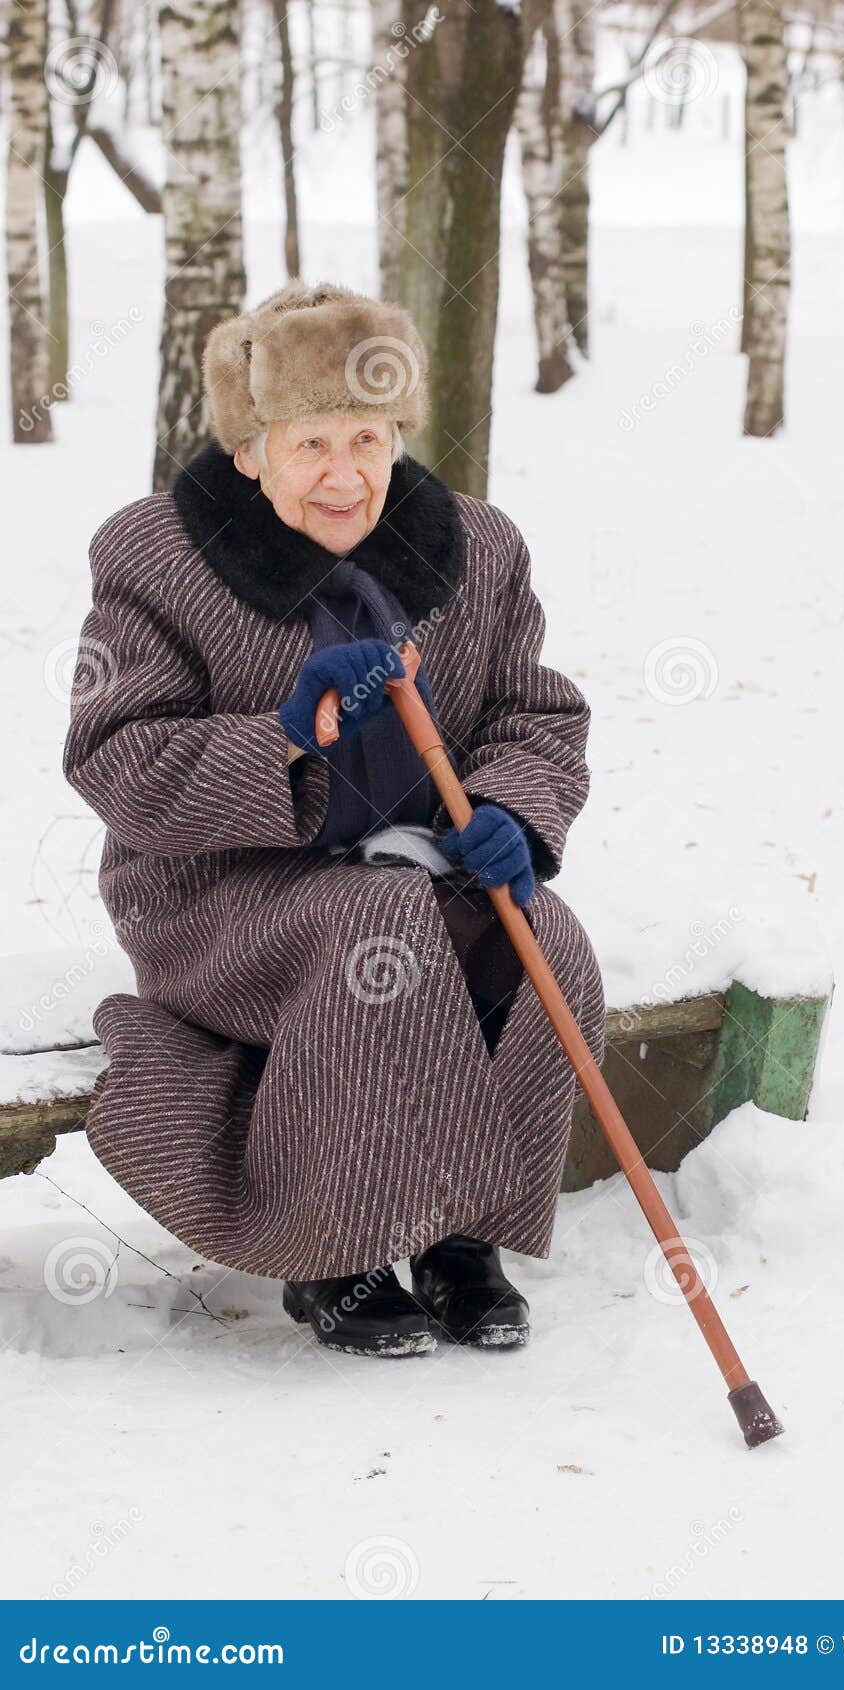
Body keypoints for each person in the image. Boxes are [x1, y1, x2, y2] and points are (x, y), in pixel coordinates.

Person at [63, 279, 606, 1358]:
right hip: (216, 888)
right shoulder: (156, 556)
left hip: (418, 857)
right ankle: (335, 1256)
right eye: (311, 442)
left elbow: (534, 713)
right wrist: (285, 734)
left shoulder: (478, 548)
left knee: (542, 936)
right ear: (253, 447)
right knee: (381, 930)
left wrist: (507, 811)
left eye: (367, 437)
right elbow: (116, 757)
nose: (344, 473)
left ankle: (457, 1237)